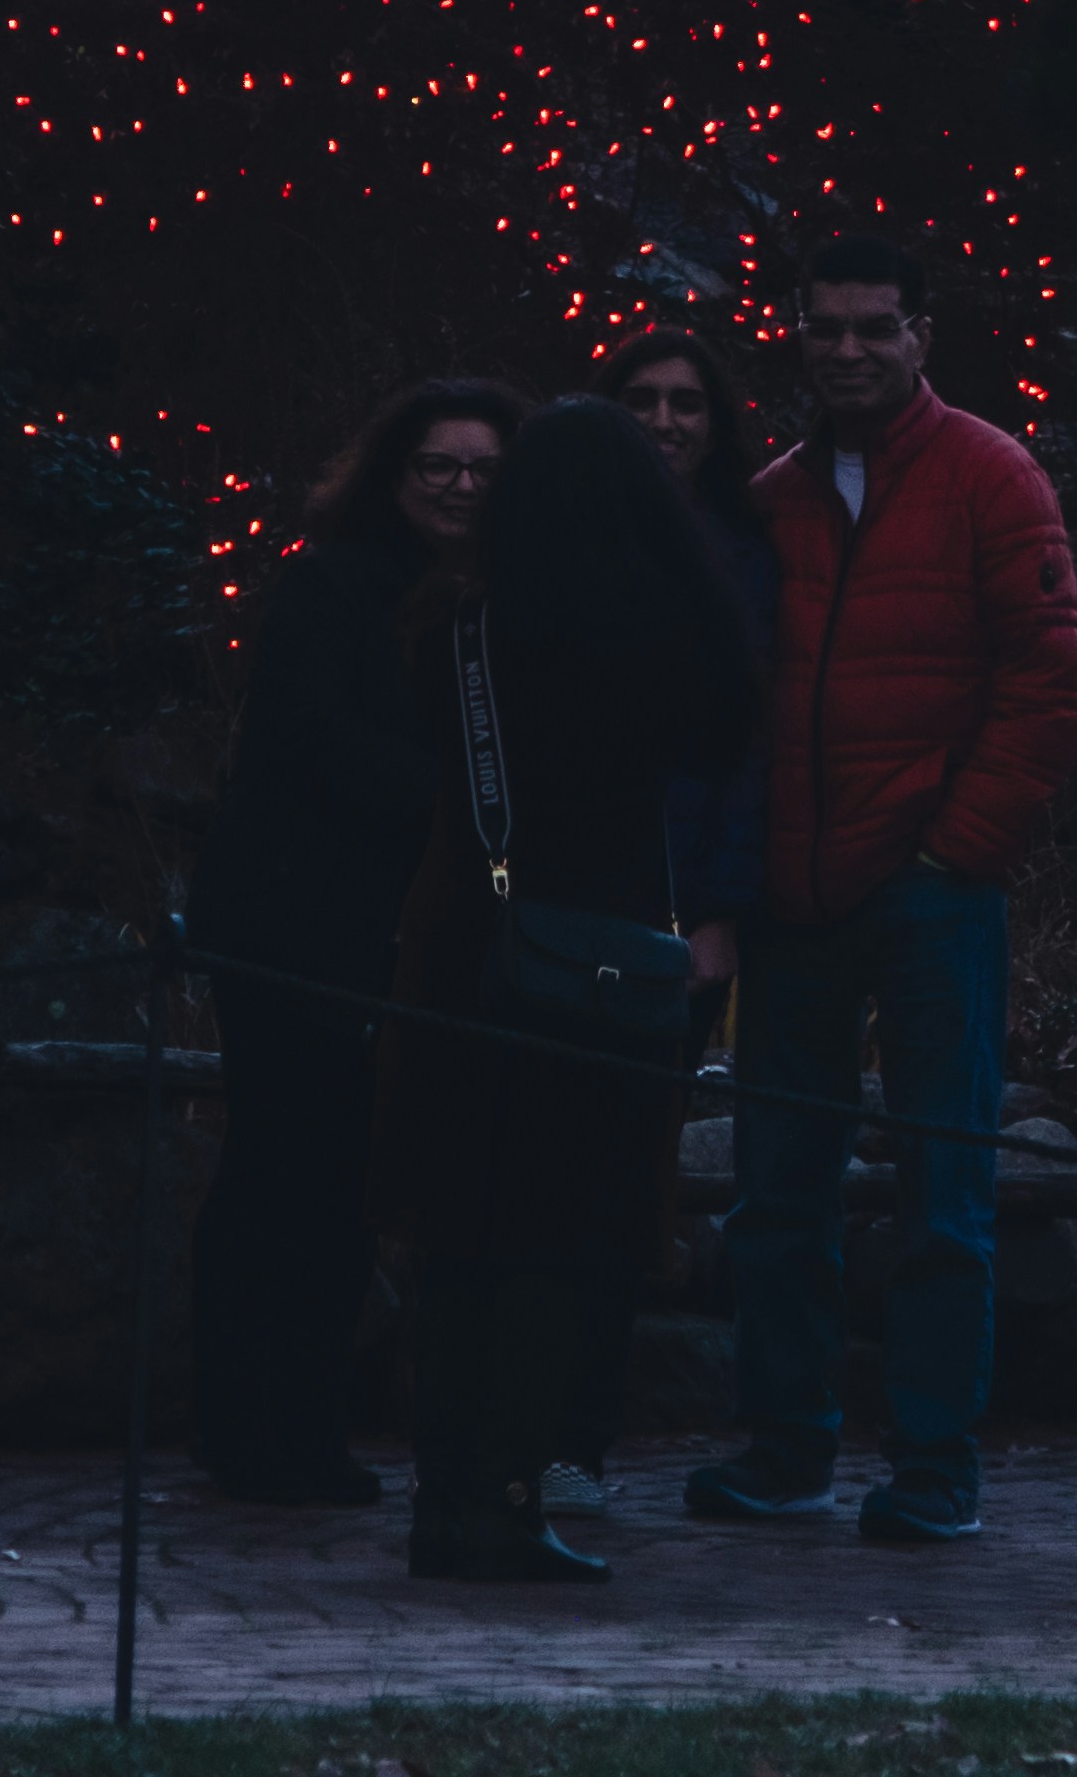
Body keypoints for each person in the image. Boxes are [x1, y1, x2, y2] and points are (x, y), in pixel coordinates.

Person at [689, 234, 1077, 1550]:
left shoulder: (991, 475)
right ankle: (788, 1444)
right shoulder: (773, 498)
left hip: (928, 894)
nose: (849, 349)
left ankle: (933, 1463)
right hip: (796, 896)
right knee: (778, 1191)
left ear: (922, 332)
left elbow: (1049, 683)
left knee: (943, 1193)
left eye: (874, 326)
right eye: (826, 327)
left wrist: (955, 847)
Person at [373, 392, 763, 1584]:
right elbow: (728, 726)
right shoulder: (659, 634)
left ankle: (444, 1498)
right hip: (597, 966)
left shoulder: (459, 627)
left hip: (466, 949)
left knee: (461, 1235)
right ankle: (509, 1492)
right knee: (561, 1239)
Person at [183, 376, 515, 1507]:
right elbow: (312, 738)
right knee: (282, 1165)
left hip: (403, 927)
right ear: (395, 472)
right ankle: (247, 1424)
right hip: (294, 921)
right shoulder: (331, 584)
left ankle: (305, 1423)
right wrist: (460, 808)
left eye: (484, 468)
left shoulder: (496, 600)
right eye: (439, 464)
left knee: (345, 1180)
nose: (461, 486)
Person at [541, 321, 772, 1521]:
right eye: (643, 397)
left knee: (621, 1183)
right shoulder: (543, 553)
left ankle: (573, 1436)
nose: (667, 420)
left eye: (689, 400)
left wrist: (719, 909)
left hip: (671, 911)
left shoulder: (741, 560)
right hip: (545, 906)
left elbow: (746, 757)